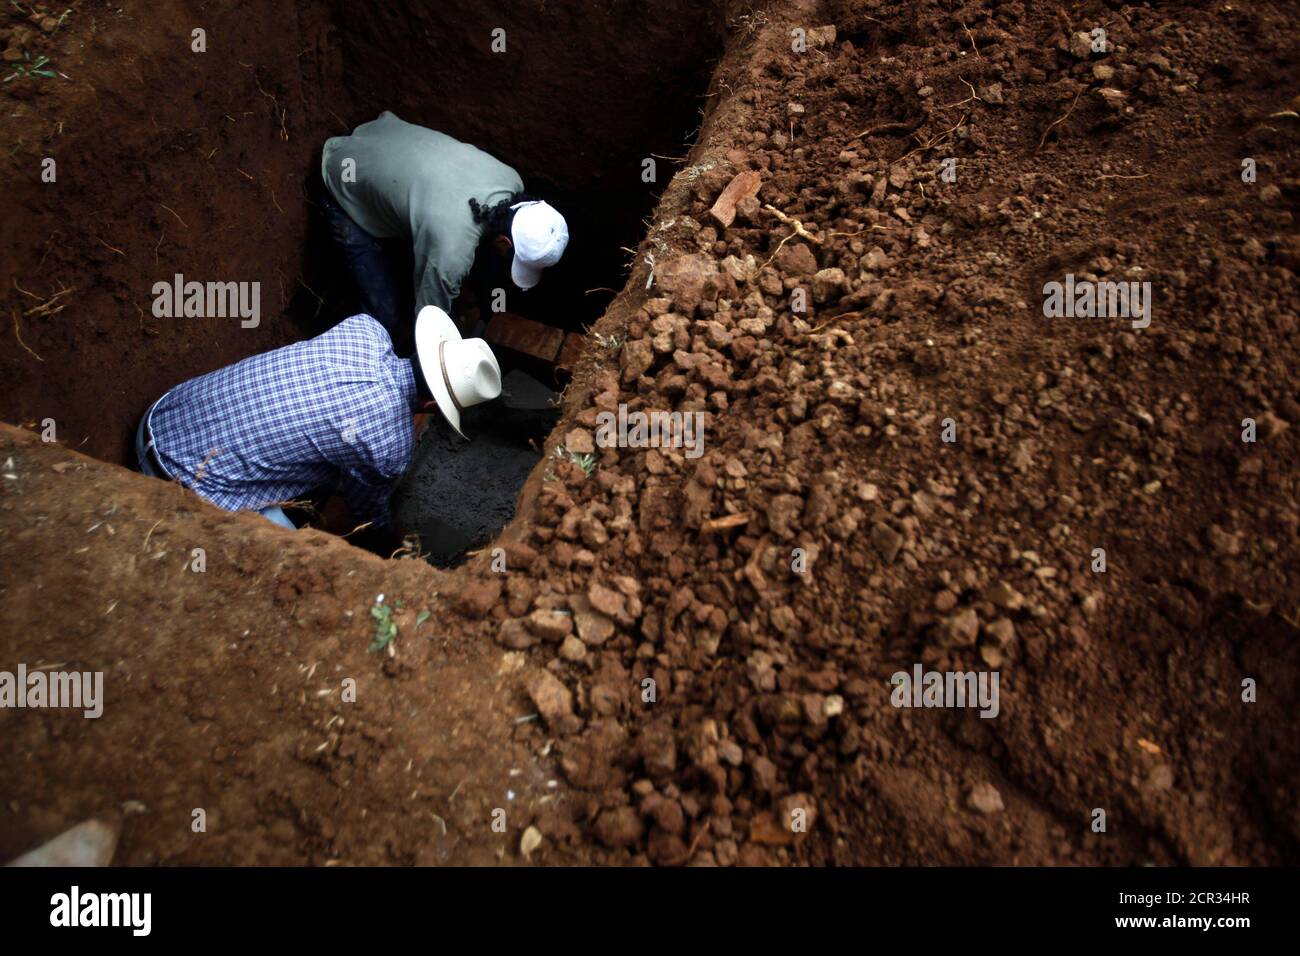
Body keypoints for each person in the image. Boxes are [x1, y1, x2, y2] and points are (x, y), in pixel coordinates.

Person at [134, 307, 500, 534]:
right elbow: (366, 512)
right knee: (295, 560)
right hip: (182, 485)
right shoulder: (388, 445)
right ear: (434, 405)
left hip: (163, 414)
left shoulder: (365, 329)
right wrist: (390, 541)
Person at [315, 111, 568, 340]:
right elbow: (427, 326)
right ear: (504, 242)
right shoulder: (451, 252)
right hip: (342, 182)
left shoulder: (510, 179)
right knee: (385, 320)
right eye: (510, 259)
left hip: (374, 133)